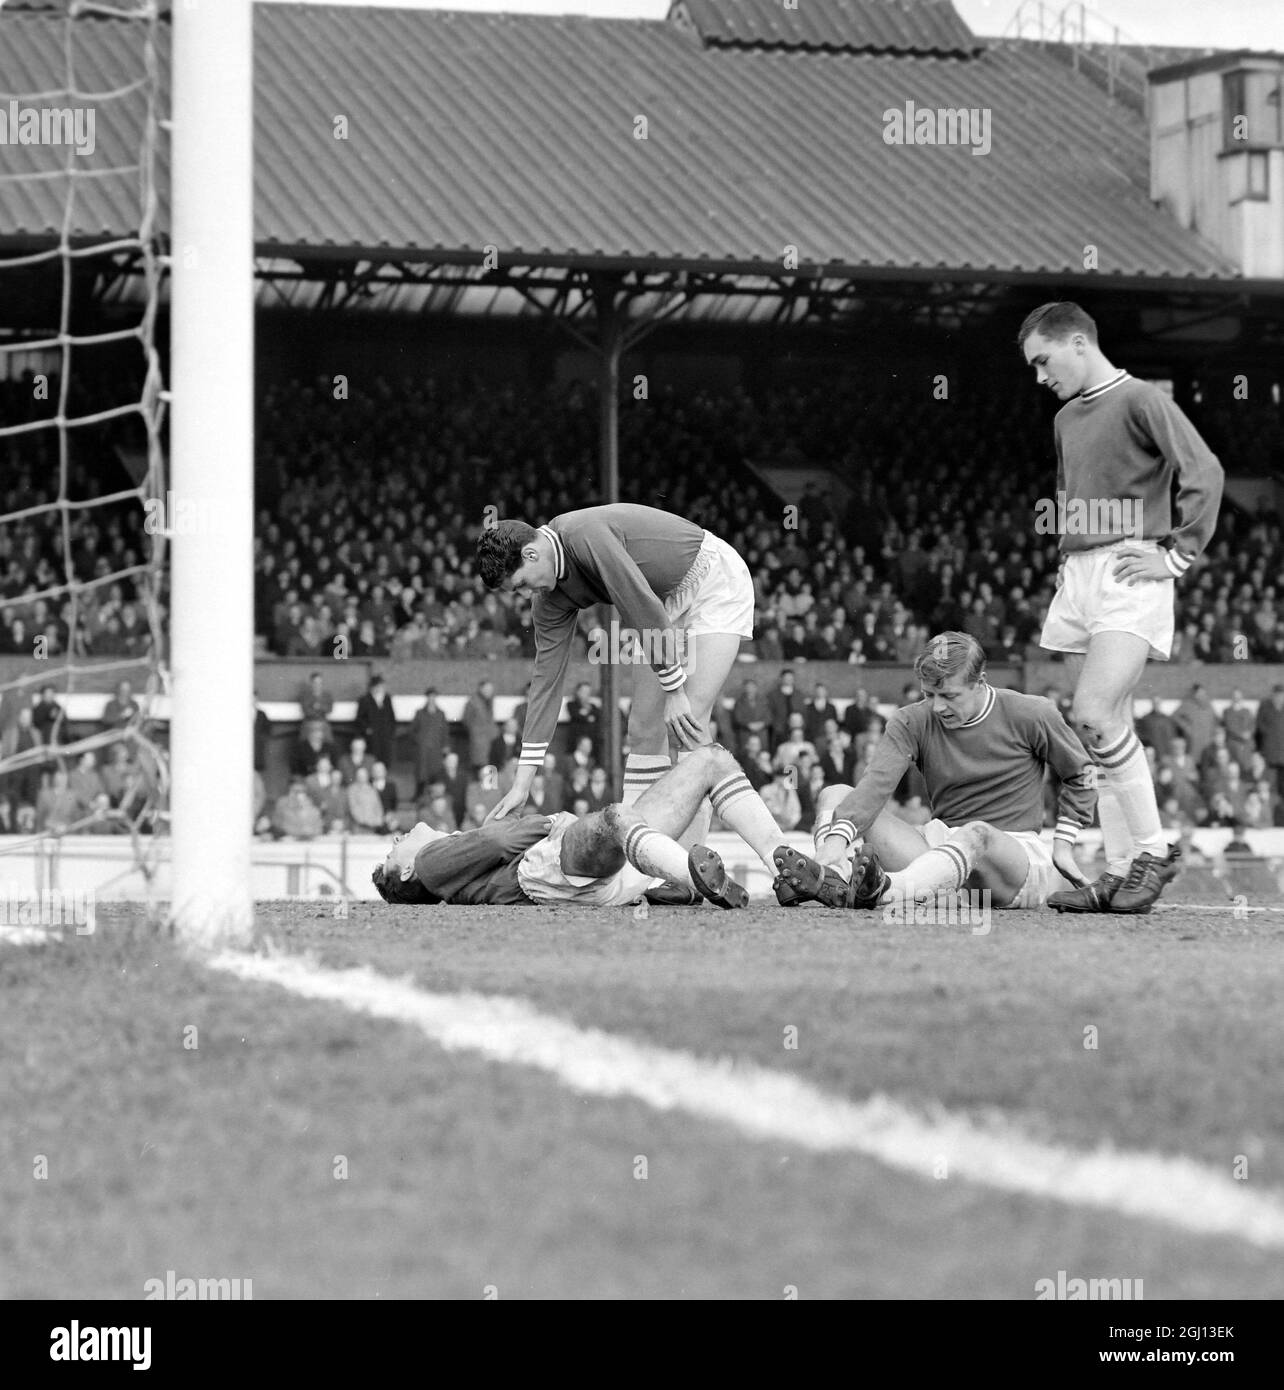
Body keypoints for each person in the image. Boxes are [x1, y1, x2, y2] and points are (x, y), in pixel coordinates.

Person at [1018, 301, 1222, 911]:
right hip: (1080, 571)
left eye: (1043, 361)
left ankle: (1155, 854)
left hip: (1130, 566)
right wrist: (1066, 551)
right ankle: (1119, 869)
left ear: (1078, 342)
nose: (1040, 376)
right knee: (1099, 730)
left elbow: (1204, 473)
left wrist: (1178, 556)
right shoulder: (1064, 419)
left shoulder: (1141, 400)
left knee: (1094, 714)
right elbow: (1068, 490)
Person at [772, 633, 1097, 914]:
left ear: (980, 682)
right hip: (939, 849)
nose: (938, 706)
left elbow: (1082, 774)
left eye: (950, 696)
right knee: (836, 793)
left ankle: (884, 891)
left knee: (977, 833)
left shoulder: (1032, 712)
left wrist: (1064, 845)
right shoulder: (909, 720)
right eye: (929, 695)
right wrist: (835, 841)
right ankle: (829, 874)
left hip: (1011, 859)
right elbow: (874, 787)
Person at [475, 504, 754, 829]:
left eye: (521, 583)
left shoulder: (583, 534)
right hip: (657, 604)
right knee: (642, 730)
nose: (525, 595)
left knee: (687, 726)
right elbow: (545, 683)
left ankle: (703, 865)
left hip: (712, 580)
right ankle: (640, 850)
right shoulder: (547, 600)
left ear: (532, 554)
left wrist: (674, 689)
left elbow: (638, 604)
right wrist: (522, 784)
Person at [372, 743, 782, 910]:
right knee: (616, 818)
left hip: (571, 875)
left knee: (709, 760)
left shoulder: (446, 870)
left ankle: (690, 881)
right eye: (393, 853)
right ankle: (711, 874)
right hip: (544, 866)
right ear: (407, 871)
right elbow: (500, 839)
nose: (396, 840)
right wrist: (549, 821)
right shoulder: (428, 863)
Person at [410, 688, 450, 795]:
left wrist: (445, 746)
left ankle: (434, 794)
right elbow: (412, 730)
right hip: (423, 751)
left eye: (434, 697)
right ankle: (418, 794)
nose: (431, 699)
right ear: (427, 698)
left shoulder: (441, 714)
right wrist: (419, 741)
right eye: (430, 697)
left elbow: (445, 731)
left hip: (436, 750)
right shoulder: (419, 713)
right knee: (421, 773)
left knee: (435, 771)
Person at [356, 674, 398, 770]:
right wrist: (367, 729)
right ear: (373, 687)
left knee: (385, 759)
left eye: (382, 686)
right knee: (373, 758)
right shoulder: (364, 700)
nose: (381, 688)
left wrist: (391, 731)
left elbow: (392, 717)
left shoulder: (387, 699)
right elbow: (359, 718)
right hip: (372, 737)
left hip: (385, 736)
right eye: (379, 686)